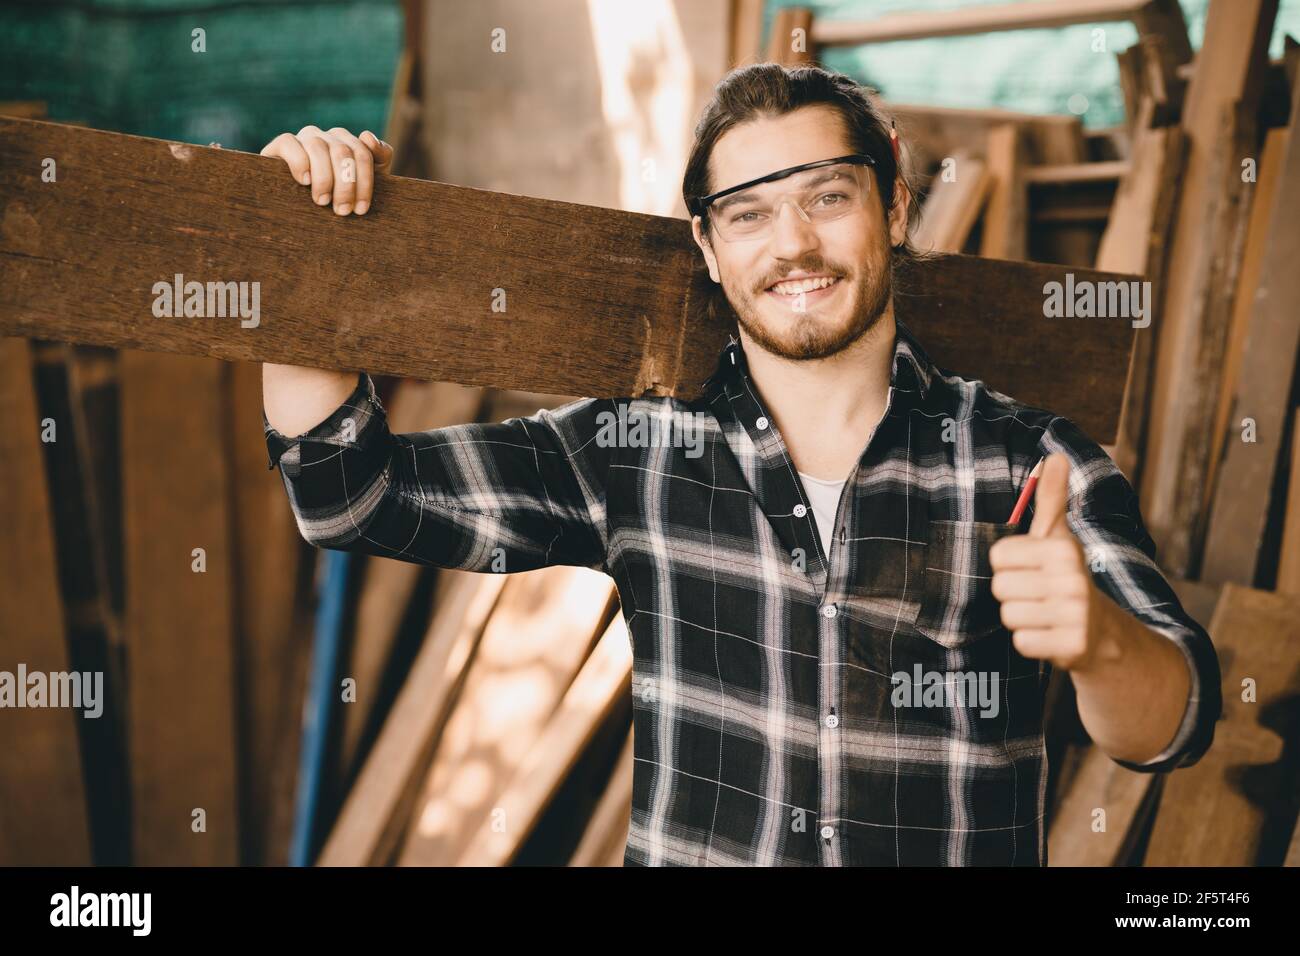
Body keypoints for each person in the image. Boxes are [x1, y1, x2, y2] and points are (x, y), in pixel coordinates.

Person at [260, 63, 1220, 866]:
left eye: (827, 197)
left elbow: (1176, 726)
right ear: (710, 249)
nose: (793, 243)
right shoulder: (631, 455)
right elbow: (351, 498)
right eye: (749, 214)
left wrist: (1096, 642)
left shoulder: (1033, 464)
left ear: (892, 208)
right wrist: (297, 244)